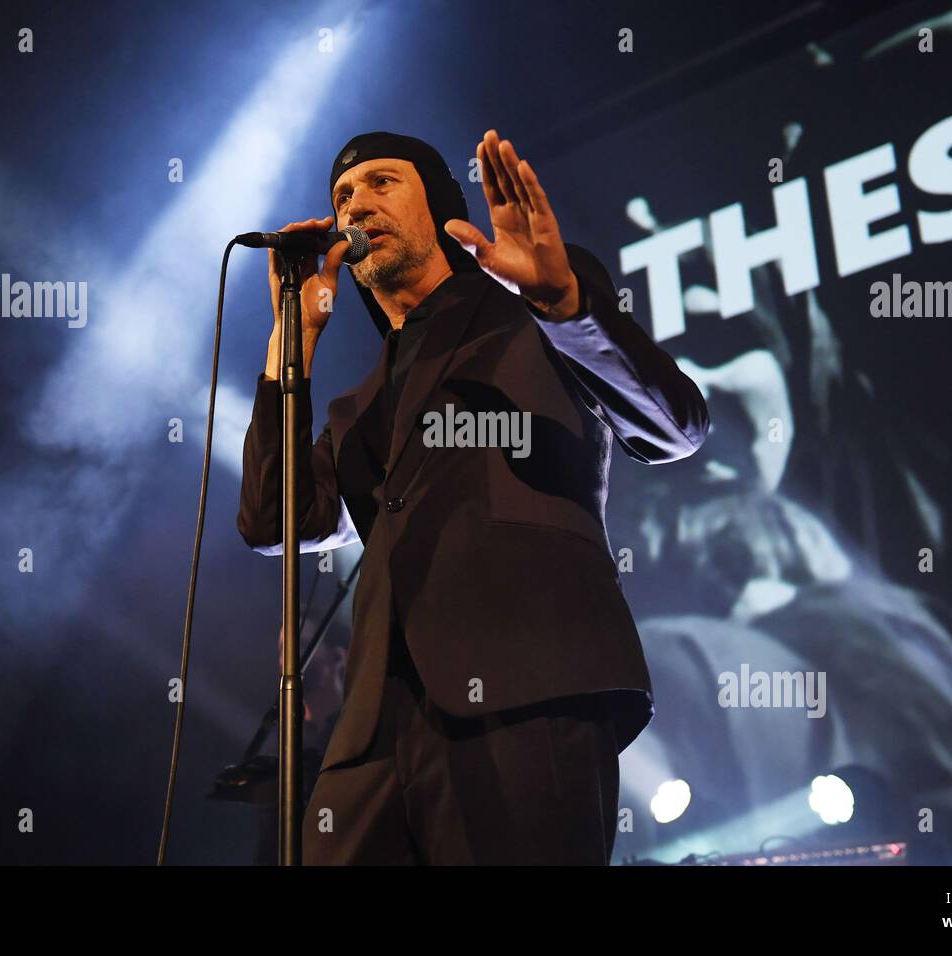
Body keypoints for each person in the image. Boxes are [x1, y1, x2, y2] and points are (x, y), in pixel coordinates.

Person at [236, 129, 710, 864]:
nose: (355, 203)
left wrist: (563, 305)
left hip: (527, 690)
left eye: (382, 182)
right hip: (372, 738)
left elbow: (674, 426)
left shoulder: (529, 310)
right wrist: (290, 338)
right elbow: (275, 521)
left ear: (441, 206)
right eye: (342, 195)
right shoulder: (355, 409)